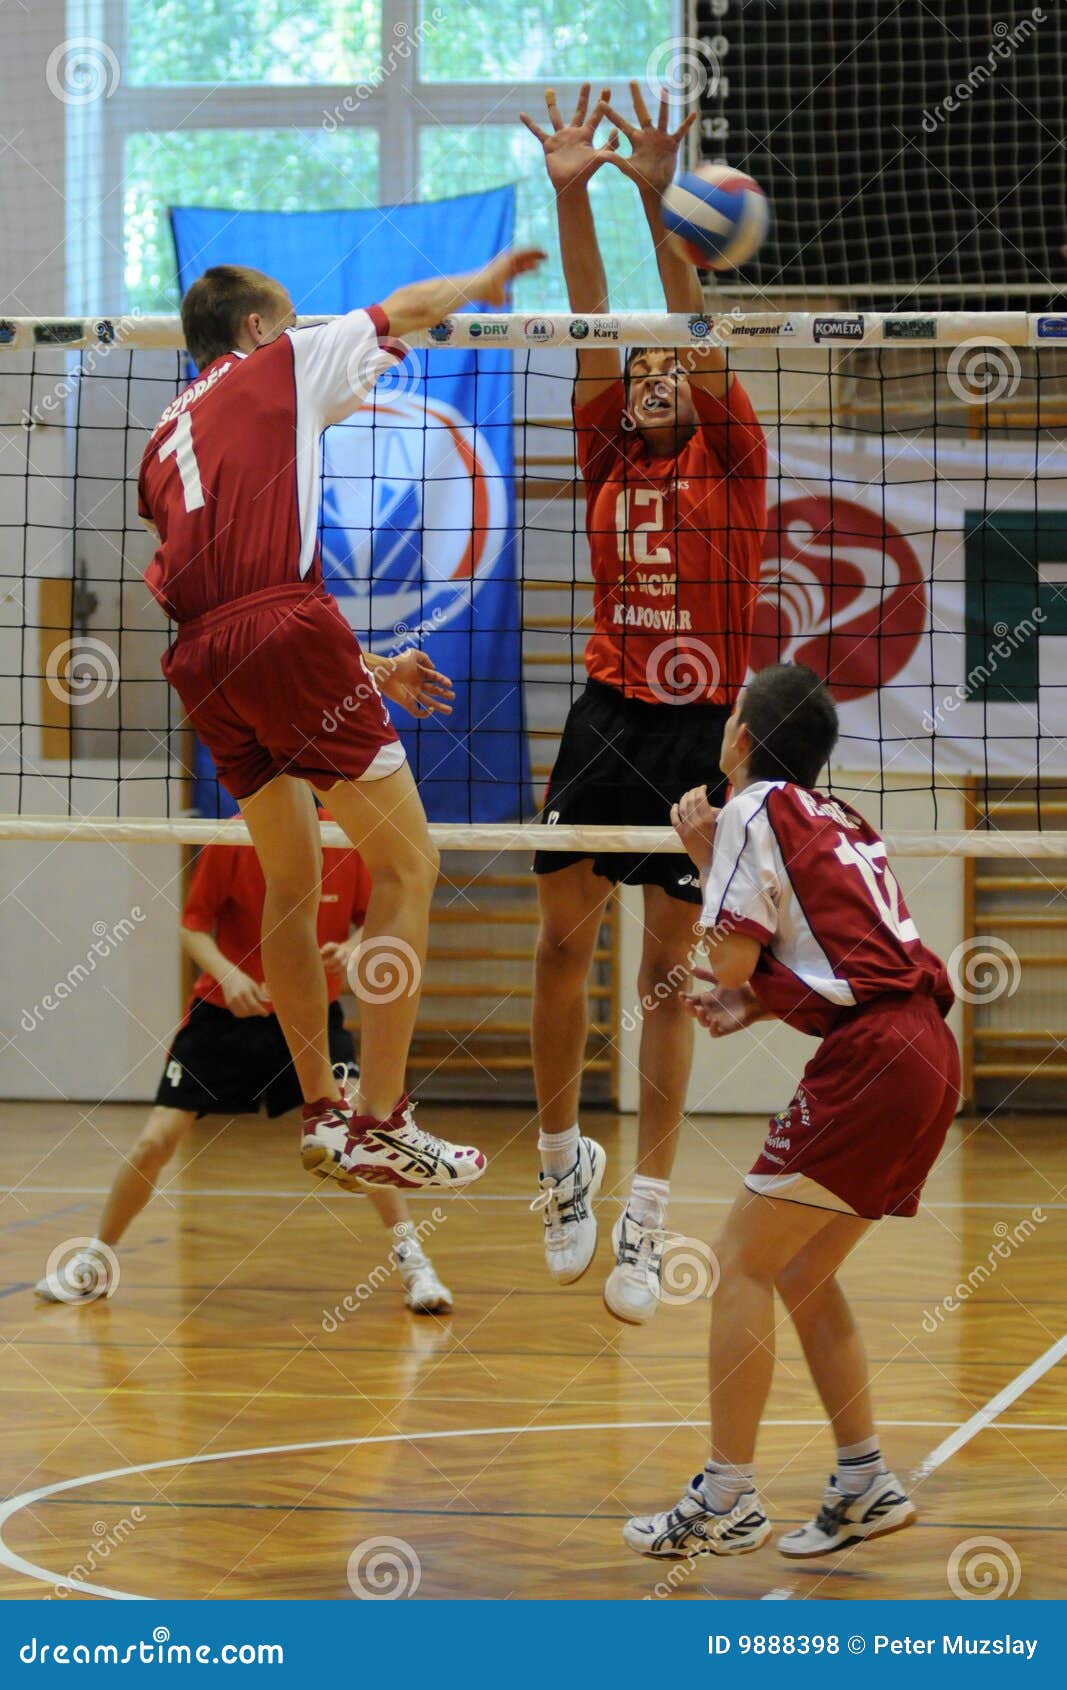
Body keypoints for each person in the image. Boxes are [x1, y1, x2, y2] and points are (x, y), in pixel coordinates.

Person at [138, 244, 543, 1192]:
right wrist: (479, 285)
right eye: (290, 323)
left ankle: (323, 1106)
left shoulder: (163, 437)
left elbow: (226, 588)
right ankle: (384, 1119)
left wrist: (358, 663)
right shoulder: (283, 356)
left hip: (203, 661)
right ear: (256, 327)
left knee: (291, 876)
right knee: (409, 863)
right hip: (282, 631)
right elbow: (403, 308)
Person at [520, 85, 767, 1321]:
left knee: (667, 974)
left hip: (696, 729)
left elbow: (681, 320)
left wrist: (657, 198)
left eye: (675, 364)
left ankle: (646, 1213)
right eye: (645, 368)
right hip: (607, 712)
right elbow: (589, 321)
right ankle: (563, 1167)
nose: (656, 374)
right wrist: (574, 192)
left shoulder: (733, 457)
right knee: (562, 944)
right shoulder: (610, 449)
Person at [623, 663, 960, 1561]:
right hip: (926, 1051)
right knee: (803, 1268)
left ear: (737, 740)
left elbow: (729, 960)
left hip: (876, 1059)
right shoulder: (839, 816)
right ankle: (863, 1482)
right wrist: (765, 1002)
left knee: (739, 1259)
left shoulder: (746, 810)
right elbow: (845, 953)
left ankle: (725, 1496)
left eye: (730, 716)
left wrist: (701, 863)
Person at [35, 828, 452, 1313]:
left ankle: (414, 1264)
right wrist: (229, 974)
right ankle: (96, 1260)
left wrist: (355, 947)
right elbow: (193, 926)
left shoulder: (343, 842)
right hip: (223, 1016)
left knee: (365, 1137)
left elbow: (374, 920)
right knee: (155, 1141)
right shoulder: (233, 838)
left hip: (311, 1018)